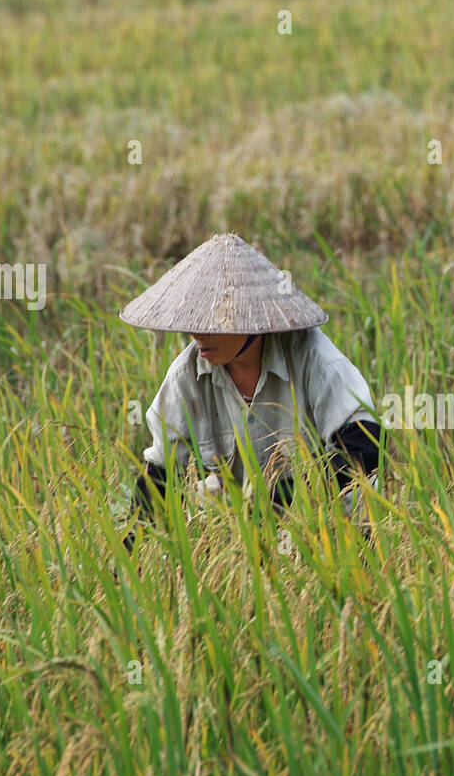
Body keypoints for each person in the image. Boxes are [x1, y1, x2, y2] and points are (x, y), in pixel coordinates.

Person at [119, 233, 382, 552]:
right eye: (193, 322)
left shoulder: (314, 359)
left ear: (252, 320)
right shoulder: (186, 375)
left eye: (212, 322)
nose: (197, 335)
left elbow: (364, 445)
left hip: (334, 534)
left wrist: (280, 502)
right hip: (243, 545)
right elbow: (160, 476)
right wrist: (128, 557)